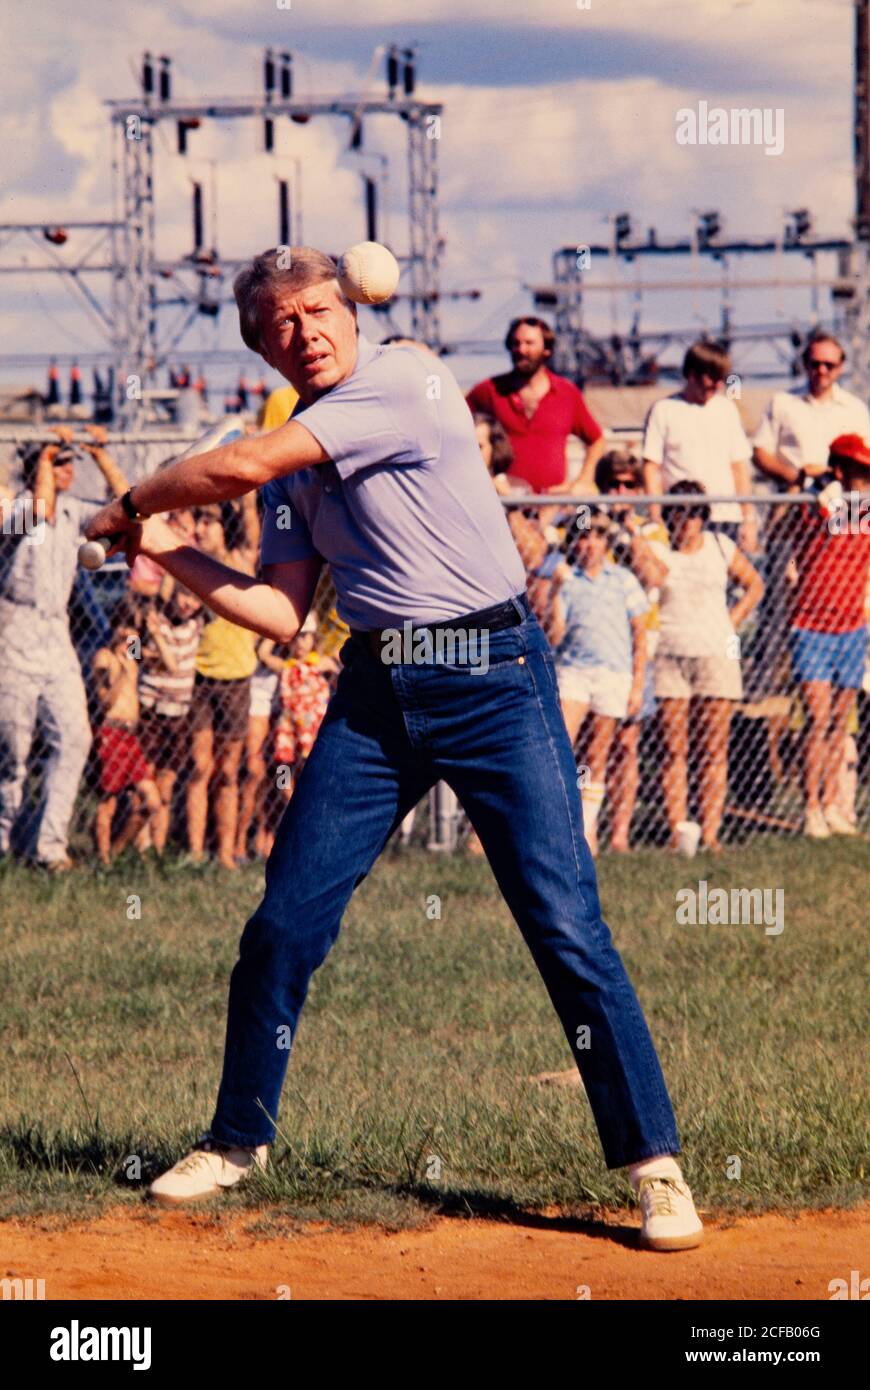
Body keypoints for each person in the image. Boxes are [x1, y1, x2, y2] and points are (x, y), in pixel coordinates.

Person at [85, 244, 704, 1251]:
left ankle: (655, 1165)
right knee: (283, 921)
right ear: (262, 345)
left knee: (563, 924)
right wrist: (168, 552)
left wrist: (136, 507)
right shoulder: (292, 455)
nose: (308, 330)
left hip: (492, 670)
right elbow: (282, 611)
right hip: (378, 687)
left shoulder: (404, 375)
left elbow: (235, 466)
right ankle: (239, 1139)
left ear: (351, 309)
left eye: (320, 308)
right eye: (282, 324)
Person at [0, 425, 129, 870]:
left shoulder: (75, 512)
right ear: (39, 465)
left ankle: (48, 847)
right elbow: (38, 510)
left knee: (74, 738)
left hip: (56, 635)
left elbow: (130, 508)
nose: (68, 469)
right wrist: (44, 454)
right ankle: (5, 844)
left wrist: (100, 454)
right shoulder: (14, 510)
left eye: (70, 461)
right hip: (13, 634)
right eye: (60, 461)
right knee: (13, 754)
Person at [630, 482, 763, 853]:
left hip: (715, 655)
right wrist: (632, 532)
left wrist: (730, 623)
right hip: (672, 653)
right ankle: (678, 832)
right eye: (679, 510)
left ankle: (711, 832)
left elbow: (754, 585)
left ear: (704, 516)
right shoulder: (658, 549)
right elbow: (649, 576)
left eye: (694, 511)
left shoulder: (721, 547)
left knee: (714, 749)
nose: (686, 519)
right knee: (674, 750)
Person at [549, 507, 649, 857]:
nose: (588, 544)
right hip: (574, 672)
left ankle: (587, 827)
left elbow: (640, 633)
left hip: (614, 673)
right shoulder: (568, 580)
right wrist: (554, 594)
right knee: (560, 748)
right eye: (581, 538)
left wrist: (637, 684)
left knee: (598, 754)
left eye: (594, 537)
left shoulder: (623, 579)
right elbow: (554, 634)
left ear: (605, 541)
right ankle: (559, 826)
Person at [787, 434, 870, 838]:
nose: (865, 481)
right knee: (817, 720)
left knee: (840, 722)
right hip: (812, 625)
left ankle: (834, 803)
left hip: (852, 626)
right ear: (840, 471)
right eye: (859, 472)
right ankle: (812, 808)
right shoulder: (814, 508)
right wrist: (817, 484)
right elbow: (799, 527)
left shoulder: (866, 512)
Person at [593, 451, 668, 852]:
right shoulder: (587, 525)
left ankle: (619, 833)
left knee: (626, 743)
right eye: (613, 485)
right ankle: (584, 828)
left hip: (637, 648)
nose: (620, 492)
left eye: (628, 485)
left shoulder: (650, 531)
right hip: (592, 647)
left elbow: (655, 576)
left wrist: (629, 532)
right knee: (586, 744)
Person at [187, 498, 260, 868]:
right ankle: (196, 853)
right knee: (201, 767)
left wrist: (246, 497)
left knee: (230, 770)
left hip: (237, 678)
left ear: (223, 528)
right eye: (198, 521)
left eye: (209, 522)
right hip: (201, 678)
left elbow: (249, 523)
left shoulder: (240, 561)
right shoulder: (192, 566)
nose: (200, 528)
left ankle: (227, 852)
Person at [466, 317, 605, 495]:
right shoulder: (488, 390)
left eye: (529, 343)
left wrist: (583, 481)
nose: (521, 350)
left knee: (584, 521)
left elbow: (597, 441)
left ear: (546, 349)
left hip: (552, 509)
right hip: (503, 506)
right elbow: (454, 432)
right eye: (516, 343)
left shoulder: (566, 393)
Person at [642, 340, 757, 552]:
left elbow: (739, 467)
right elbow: (651, 467)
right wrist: (655, 515)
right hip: (683, 519)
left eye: (721, 379)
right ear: (692, 374)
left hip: (726, 517)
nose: (718, 385)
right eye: (712, 377)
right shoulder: (664, 410)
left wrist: (748, 518)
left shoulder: (727, 410)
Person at [92, 598, 164, 865]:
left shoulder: (133, 656)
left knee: (152, 801)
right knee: (108, 801)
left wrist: (153, 638)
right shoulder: (106, 658)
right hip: (111, 732)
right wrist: (122, 672)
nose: (127, 634)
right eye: (123, 627)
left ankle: (118, 850)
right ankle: (104, 860)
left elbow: (162, 664)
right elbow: (106, 701)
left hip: (130, 736)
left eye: (133, 629)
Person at [136, 581, 205, 854]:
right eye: (183, 595)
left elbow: (173, 666)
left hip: (179, 713)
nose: (188, 603)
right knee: (145, 778)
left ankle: (159, 848)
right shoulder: (154, 622)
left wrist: (158, 647)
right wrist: (153, 644)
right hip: (152, 710)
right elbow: (137, 654)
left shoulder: (195, 626)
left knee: (167, 782)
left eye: (195, 599)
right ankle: (141, 844)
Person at [273, 613, 334, 801]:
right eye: (296, 637)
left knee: (312, 767)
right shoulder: (286, 666)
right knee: (283, 765)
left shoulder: (321, 663)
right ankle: (286, 799)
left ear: (313, 638)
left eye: (305, 636)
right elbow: (263, 653)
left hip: (312, 726)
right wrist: (282, 631)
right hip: (289, 725)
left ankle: (310, 801)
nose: (300, 642)